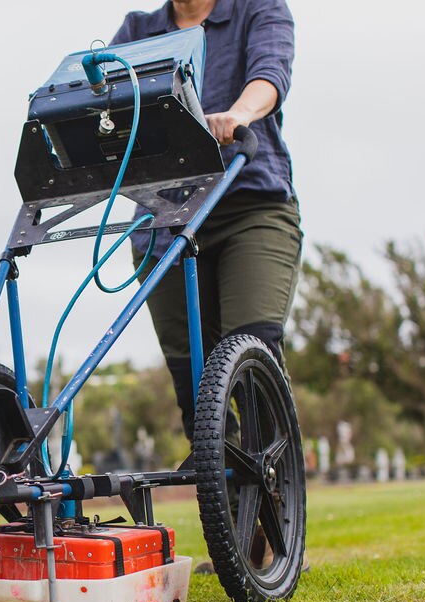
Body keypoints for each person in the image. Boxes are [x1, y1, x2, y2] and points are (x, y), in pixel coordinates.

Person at [113, 0, 301, 441]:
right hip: (167, 222)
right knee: (195, 386)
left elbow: (270, 73)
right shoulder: (139, 30)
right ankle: (219, 477)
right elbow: (104, 98)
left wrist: (239, 114)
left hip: (248, 206)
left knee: (251, 354)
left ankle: (273, 474)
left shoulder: (257, 9)